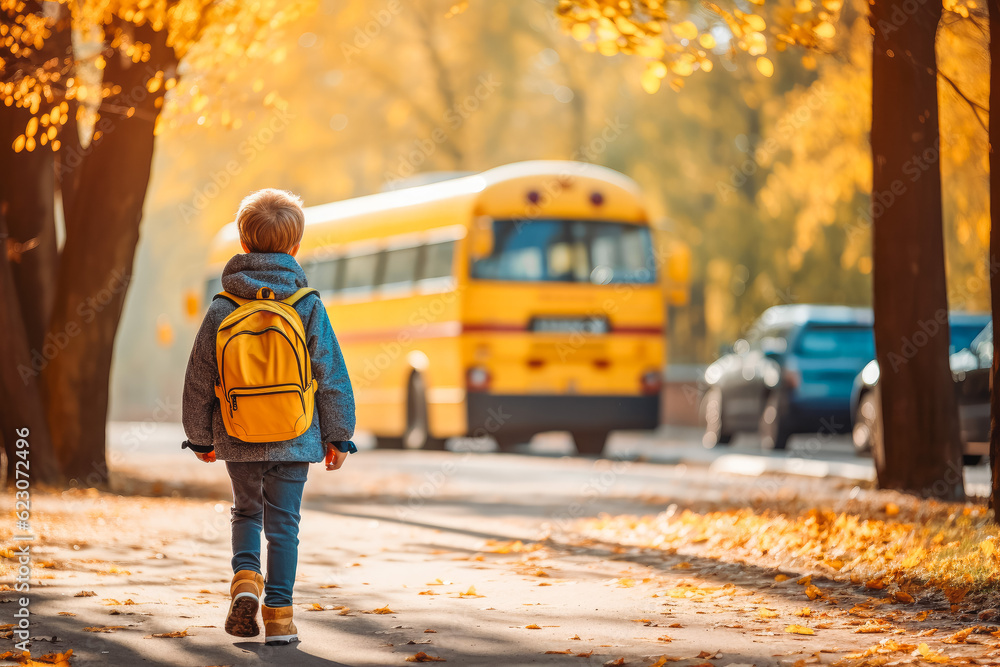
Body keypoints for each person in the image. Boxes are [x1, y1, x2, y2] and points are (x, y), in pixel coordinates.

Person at [181, 188, 356, 646]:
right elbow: (331, 373)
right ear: (295, 247)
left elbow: (200, 378)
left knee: (246, 511)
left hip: (238, 434)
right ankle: (279, 615)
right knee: (284, 525)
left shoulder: (223, 308)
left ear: (242, 244)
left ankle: (244, 579)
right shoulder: (307, 304)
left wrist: (200, 437)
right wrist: (339, 435)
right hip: (296, 435)